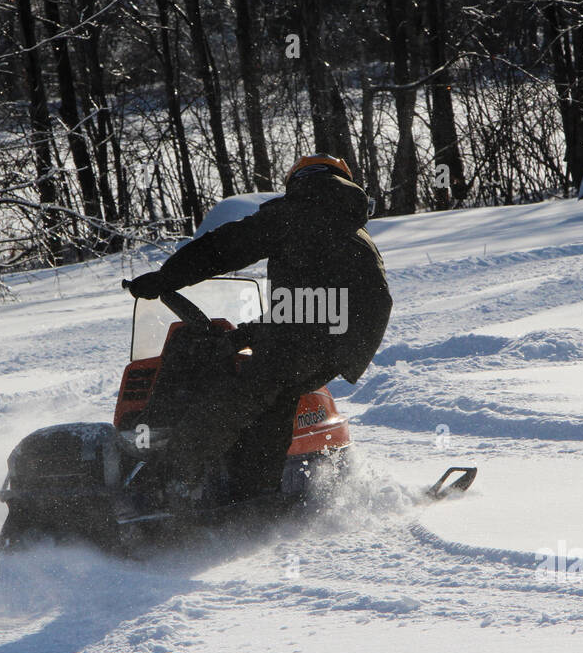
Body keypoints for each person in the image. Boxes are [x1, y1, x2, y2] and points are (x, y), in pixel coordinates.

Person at [125, 153, 392, 500]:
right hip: (338, 338)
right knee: (274, 398)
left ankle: (171, 482)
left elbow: (224, 248)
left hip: (315, 336)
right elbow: (308, 308)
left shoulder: (300, 210)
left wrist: (166, 277)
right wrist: (244, 336)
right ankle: (255, 491)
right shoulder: (348, 224)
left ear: (298, 182)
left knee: (237, 396)